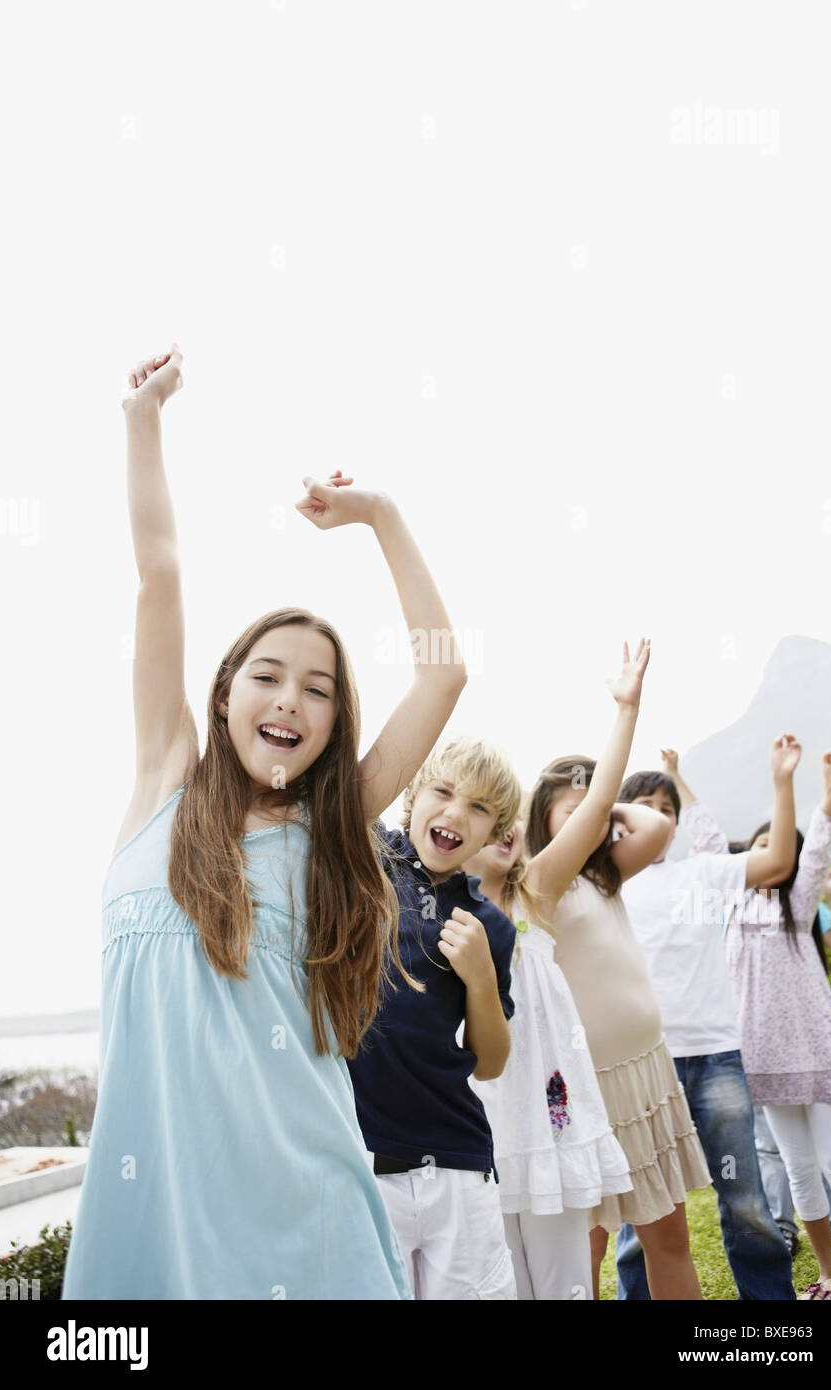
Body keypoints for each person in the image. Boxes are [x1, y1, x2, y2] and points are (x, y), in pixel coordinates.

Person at [63, 345, 469, 1300]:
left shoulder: (335, 829)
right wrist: (142, 419)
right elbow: (158, 573)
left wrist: (383, 516)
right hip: (152, 1225)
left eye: (318, 688)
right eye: (268, 675)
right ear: (223, 696)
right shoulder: (163, 779)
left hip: (307, 1232)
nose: (290, 699)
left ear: (333, 724)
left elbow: (444, 672)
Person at [523, 641, 712, 1300]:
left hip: (646, 1077)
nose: (590, 821)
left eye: (595, 814)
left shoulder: (605, 877)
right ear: (541, 824)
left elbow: (657, 827)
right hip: (585, 1091)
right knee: (586, 1252)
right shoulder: (540, 885)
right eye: (568, 812)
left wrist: (598, 810)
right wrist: (582, 791)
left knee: (669, 1240)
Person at [614, 744, 798, 1301]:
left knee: (745, 1201)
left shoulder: (704, 873)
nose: (659, 816)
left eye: (667, 807)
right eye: (644, 805)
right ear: (620, 819)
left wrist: (782, 783)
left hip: (716, 1057)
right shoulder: (605, 884)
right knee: (638, 1212)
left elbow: (778, 863)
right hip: (641, 1065)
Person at [347, 738, 522, 1300]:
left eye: (478, 808)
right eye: (442, 792)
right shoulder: (362, 857)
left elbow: (491, 1062)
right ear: (413, 794)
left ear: (497, 832)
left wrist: (481, 979)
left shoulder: (490, 926)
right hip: (360, 1159)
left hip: (455, 1163)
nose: (454, 814)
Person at [465, 812, 632, 1300]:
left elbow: (599, 807)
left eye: (508, 812)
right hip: (479, 1130)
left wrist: (627, 728)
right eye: (485, 812)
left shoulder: (532, 894)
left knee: (568, 1286)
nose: (503, 825)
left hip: (549, 1130)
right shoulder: (435, 908)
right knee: (504, 1283)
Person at [726, 751, 831, 1299]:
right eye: (760, 844)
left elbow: (819, 846)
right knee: (800, 1169)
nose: (768, 853)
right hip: (766, 1057)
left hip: (818, 1051)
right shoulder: (730, 908)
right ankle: (830, 1274)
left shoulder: (799, 902)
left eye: (778, 848)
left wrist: (823, 788)